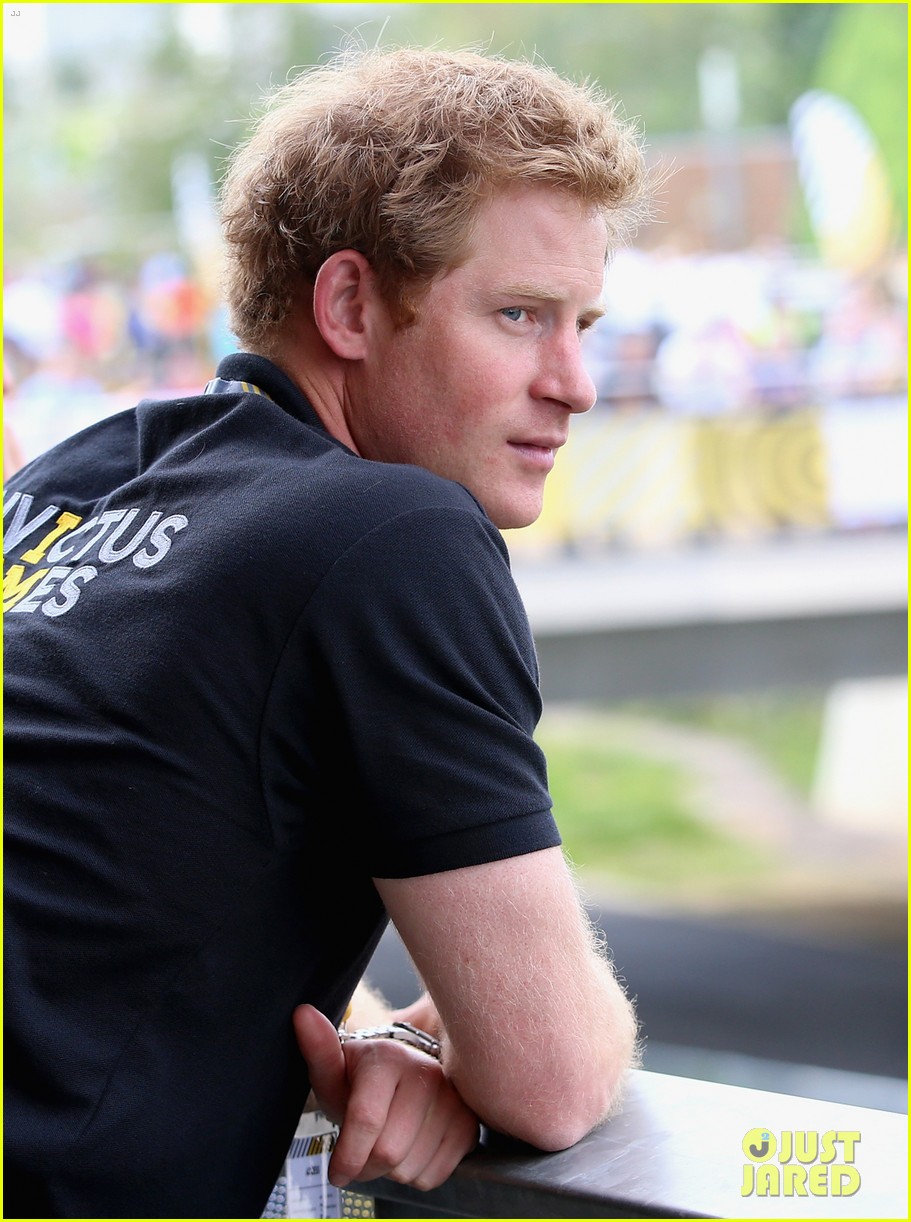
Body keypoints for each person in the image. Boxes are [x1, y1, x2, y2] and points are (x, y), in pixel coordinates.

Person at [3, 46, 650, 1219]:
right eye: (518, 315)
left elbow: (115, 881)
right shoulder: (395, 536)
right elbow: (551, 1077)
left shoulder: (74, 482)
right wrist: (445, 1029)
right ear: (349, 305)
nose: (575, 382)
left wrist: (378, 1025)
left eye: (582, 324)